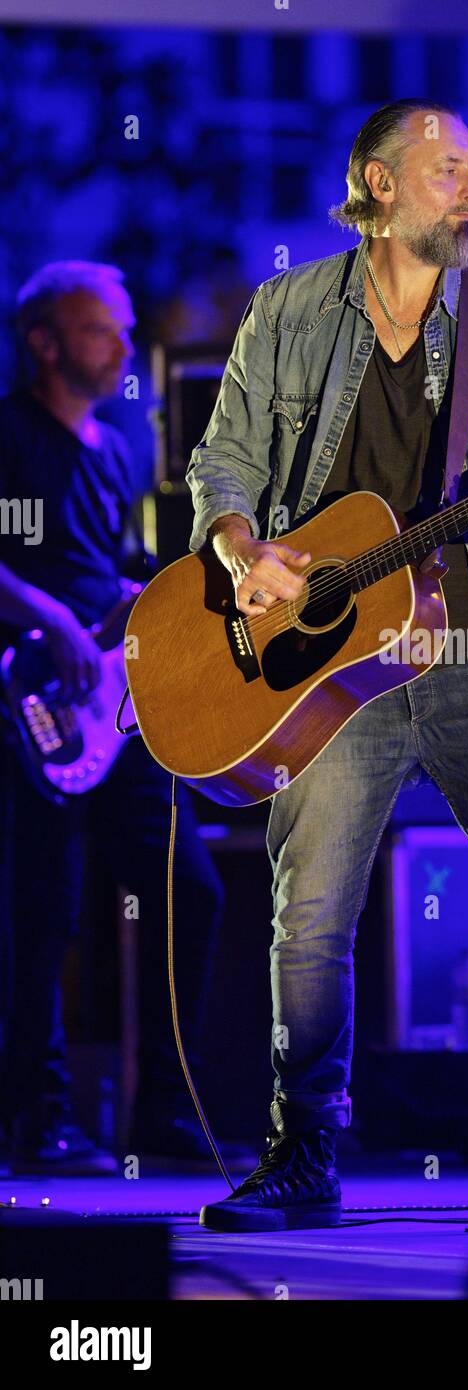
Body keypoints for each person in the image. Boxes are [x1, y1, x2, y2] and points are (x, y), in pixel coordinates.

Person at [188, 100, 468, 1234]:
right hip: (334, 663)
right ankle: (302, 1153)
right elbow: (223, 463)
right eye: (450, 169)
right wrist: (245, 552)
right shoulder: (288, 310)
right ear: (378, 184)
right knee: (310, 918)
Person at [0, 261, 224, 1173]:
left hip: (112, 704)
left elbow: (122, 565)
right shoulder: (8, 435)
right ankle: (37, 1119)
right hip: (30, 703)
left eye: (125, 328)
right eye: (102, 330)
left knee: (190, 890)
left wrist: (152, 595)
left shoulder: (119, 448)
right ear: (46, 342)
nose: (124, 345)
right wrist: (49, 616)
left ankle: (167, 1116)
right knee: (40, 910)